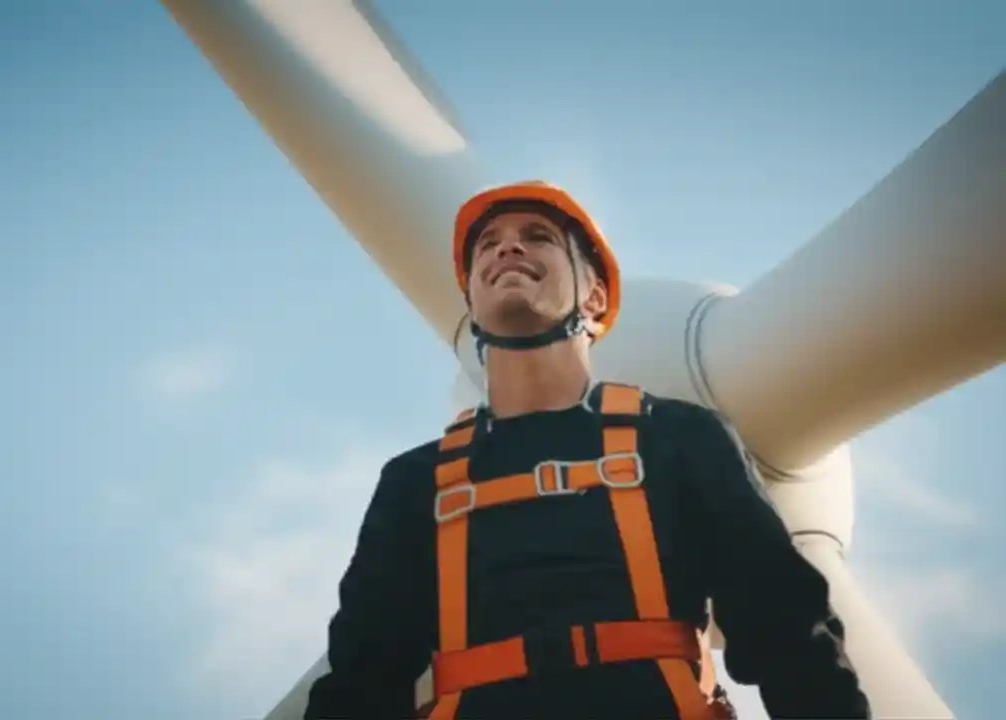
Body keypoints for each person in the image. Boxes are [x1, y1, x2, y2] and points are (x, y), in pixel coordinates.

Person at [303, 181, 871, 719]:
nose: (508, 249)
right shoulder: (414, 483)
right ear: (471, 304)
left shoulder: (679, 440)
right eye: (488, 246)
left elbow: (787, 630)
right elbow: (360, 680)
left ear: (594, 295)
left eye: (538, 237)